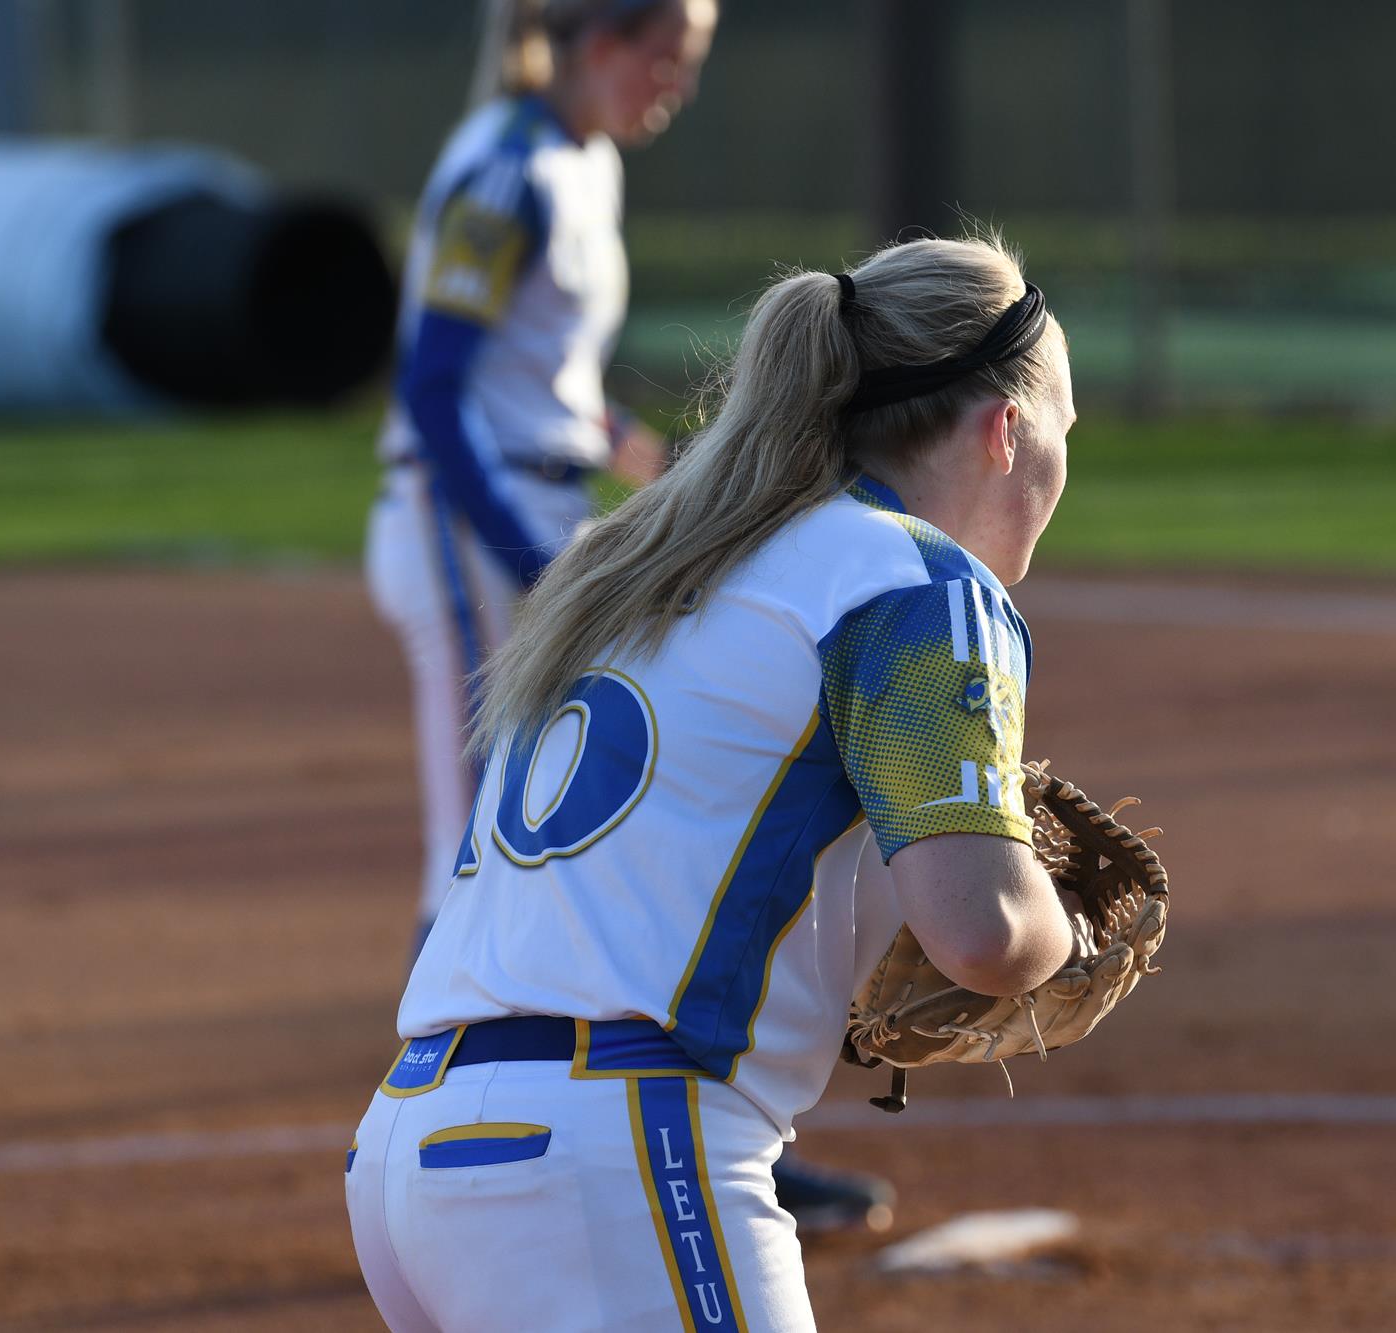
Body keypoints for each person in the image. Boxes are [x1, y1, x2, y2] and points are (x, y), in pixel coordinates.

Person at [345, 234, 1077, 1332]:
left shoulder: (650, 552)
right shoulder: (920, 581)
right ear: (1004, 429)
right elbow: (982, 933)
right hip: (613, 1152)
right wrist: (1054, 930)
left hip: (412, 1147)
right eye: (1066, 427)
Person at [365, 0, 889, 1240]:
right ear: (600, 39)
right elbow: (439, 394)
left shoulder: (577, 164)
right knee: (485, 829)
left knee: (577, 826)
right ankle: (421, 1147)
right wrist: (540, 572)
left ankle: (711, 1132)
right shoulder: (505, 172)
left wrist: (639, 459)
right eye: (669, 54)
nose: (677, 84)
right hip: (467, 527)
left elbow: (535, 375)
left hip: (535, 518)